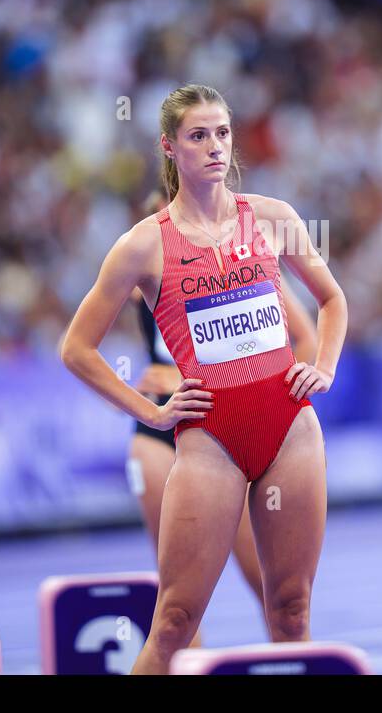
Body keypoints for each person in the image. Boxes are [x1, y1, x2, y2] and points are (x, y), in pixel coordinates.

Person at [61, 83, 348, 674]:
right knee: (174, 622)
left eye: (222, 132)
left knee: (291, 611)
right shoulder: (142, 245)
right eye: (199, 135)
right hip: (209, 439)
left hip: (290, 428)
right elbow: (77, 349)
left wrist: (322, 368)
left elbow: (332, 300)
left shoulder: (273, 218)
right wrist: (150, 411)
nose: (216, 146)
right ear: (170, 148)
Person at [126, 189, 319, 648]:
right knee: (175, 607)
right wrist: (150, 398)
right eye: (158, 214)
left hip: (235, 425)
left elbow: (305, 339)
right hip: (163, 432)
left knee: (280, 598)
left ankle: (290, 655)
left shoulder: (242, 253)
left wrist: (279, 396)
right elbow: (79, 347)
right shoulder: (141, 258)